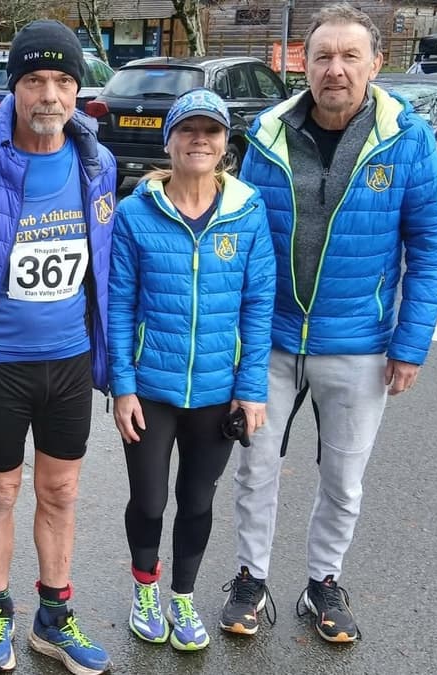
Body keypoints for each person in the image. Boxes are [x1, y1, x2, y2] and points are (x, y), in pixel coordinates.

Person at [218, 2, 437, 644]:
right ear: (304, 63)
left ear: (376, 63)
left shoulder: (407, 140)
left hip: (359, 343)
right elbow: (240, 235)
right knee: (255, 471)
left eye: (351, 56)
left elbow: (432, 243)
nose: (336, 69)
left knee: (343, 480)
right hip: (269, 341)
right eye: (323, 56)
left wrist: (411, 342)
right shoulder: (267, 133)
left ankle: (323, 583)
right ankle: (250, 579)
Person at [0, 19, 116, 675]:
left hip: (69, 360)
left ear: (77, 88)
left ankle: (53, 616)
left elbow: (102, 262)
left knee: (60, 491)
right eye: (34, 80)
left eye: (63, 80)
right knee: (0, 491)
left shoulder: (97, 164)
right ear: (14, 87)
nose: (49, 95)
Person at [108, 88, 275, 652]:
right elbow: (119, 303)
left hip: (217, 391)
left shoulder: (248, 213)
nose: (199, 140)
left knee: (198, 501)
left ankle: (182, 597)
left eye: (211, 131)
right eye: (188, 130)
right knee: (150, 500)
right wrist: (122, 387)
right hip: (150, 389)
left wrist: (251, 389)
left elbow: (258, 306)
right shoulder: (135, 214)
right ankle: (145, 590)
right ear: (170, 141)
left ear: (226, 144)